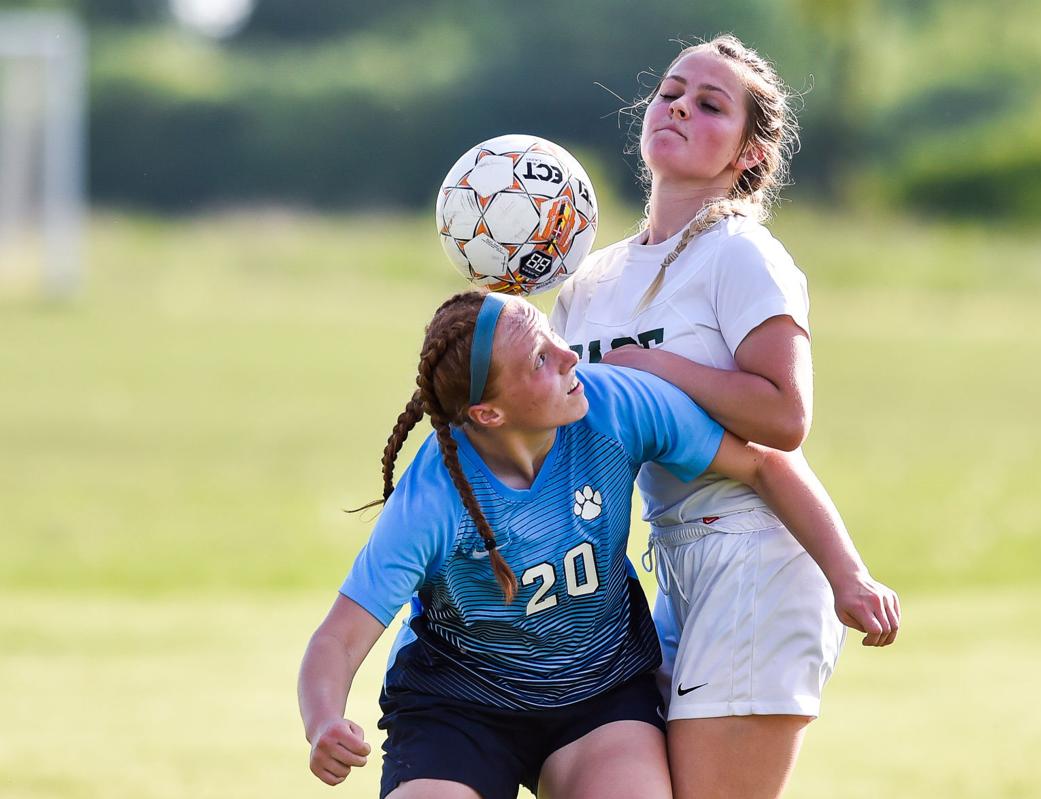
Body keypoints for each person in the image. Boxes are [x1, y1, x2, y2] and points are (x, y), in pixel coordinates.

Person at [298, 290, 897, 799]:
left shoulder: (614, 404)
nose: (568, 354)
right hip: (460, 705)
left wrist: (849, 575)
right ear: (487, 413)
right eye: (539, 358)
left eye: (553, 336)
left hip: (599, 696)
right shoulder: (432, 499)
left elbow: (764, 464)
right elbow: (338, 637)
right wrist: (324, 721)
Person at [551, 34, 899, 799]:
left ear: (748, 155)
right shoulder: (590, 279)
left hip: (758, 561)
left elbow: (785, 416)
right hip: (664, 567)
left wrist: (659, 366)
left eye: (711, 104)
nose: (679, 105)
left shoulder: (743, 255)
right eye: (672, 90)